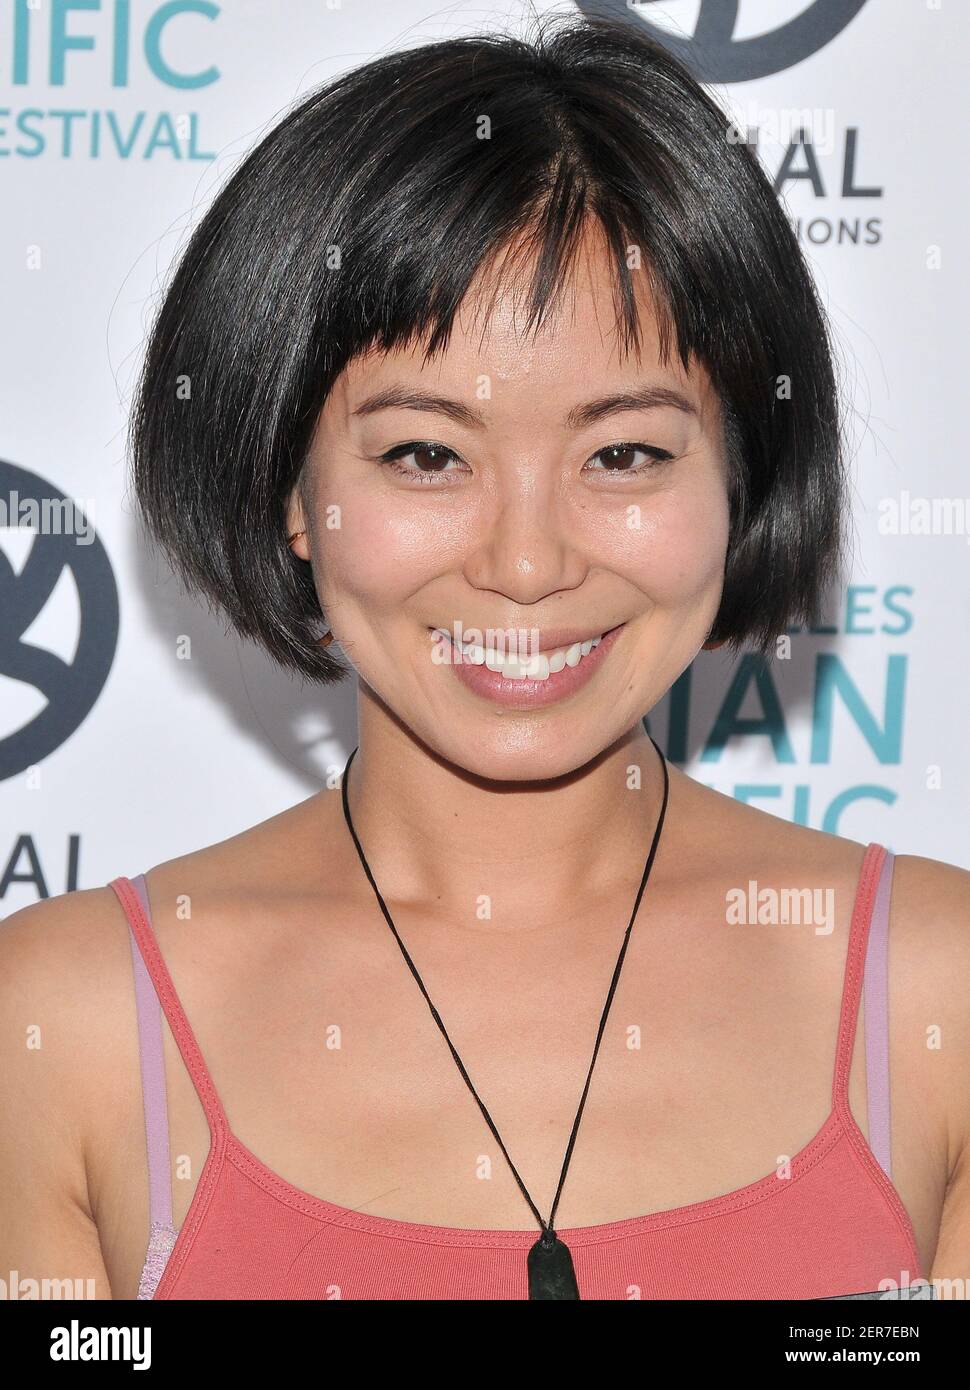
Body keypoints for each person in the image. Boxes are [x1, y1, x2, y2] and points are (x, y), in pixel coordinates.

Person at [1, 13, 967, 1302]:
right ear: (291, 487)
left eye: (624, 454)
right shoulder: (61, 1025)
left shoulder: (937, 994)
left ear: (741, 482)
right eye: (425, 455)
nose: (527, 562)